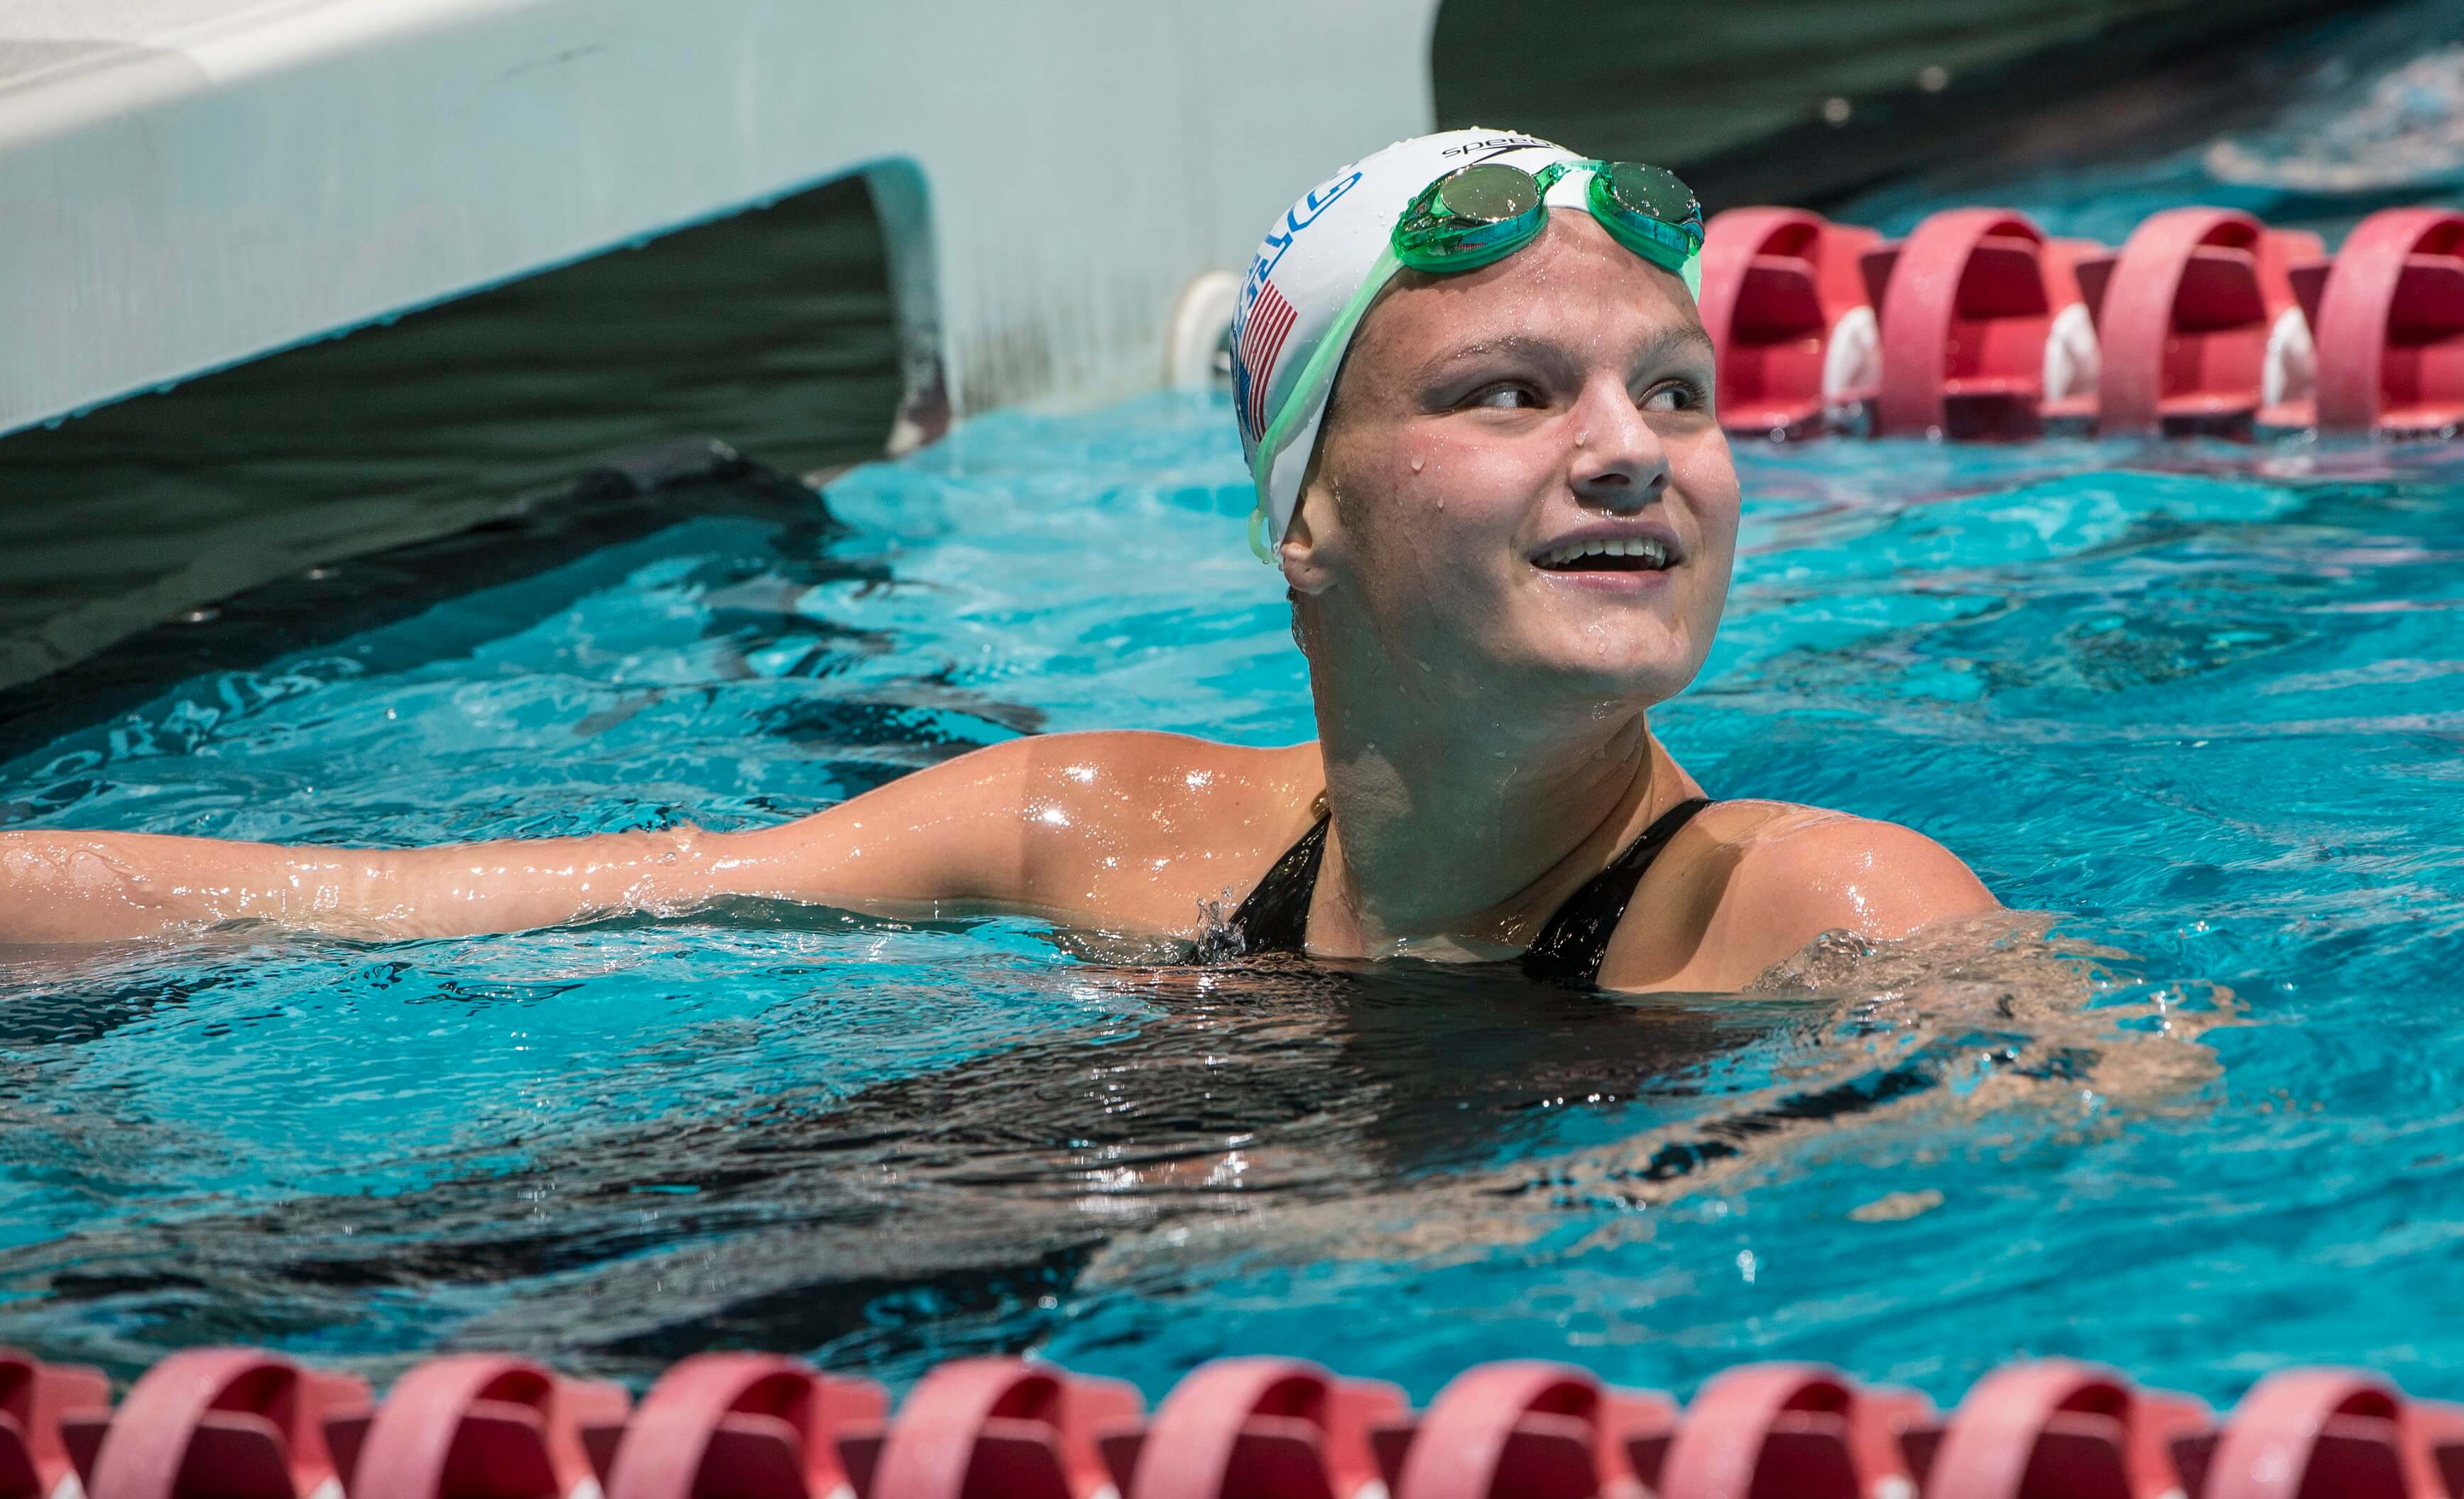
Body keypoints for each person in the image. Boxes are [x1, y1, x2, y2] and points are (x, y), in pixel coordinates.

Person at [0, 130, 1997, 992]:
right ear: (1304, 511)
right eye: (1506, 393)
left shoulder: (1825, 914)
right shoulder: (1095, 833)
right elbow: (409, 906)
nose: (1630, 456)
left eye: (1675, 394)